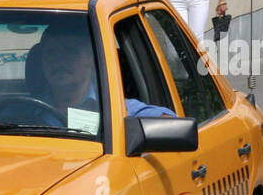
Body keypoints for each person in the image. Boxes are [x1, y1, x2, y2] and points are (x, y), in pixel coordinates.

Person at [24, 28, 175, 129]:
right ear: (41, 61)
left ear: (91, 59)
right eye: (51, 53)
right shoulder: (22, 110)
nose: (59, 62)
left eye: (69, 52)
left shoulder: (114, 108)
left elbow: (171, 125)